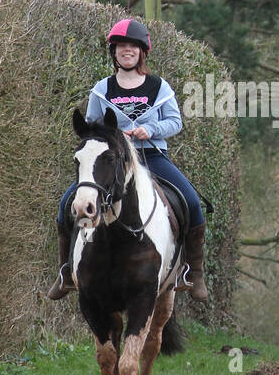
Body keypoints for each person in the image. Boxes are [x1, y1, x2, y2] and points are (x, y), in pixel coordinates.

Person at [47, 18, 208, 301]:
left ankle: (193, 273)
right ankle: (65, 272)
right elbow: (92, 126)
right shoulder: (102, 89)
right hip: (113, 161)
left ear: (142, 52)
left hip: (151, 156)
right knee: (66, 204)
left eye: (132, 46)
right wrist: (111, 135)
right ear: (114, 53)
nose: (126, 51)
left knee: (192, 201)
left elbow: (175, 122)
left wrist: (151, 129)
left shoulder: (160, 88)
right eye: (121, 46)